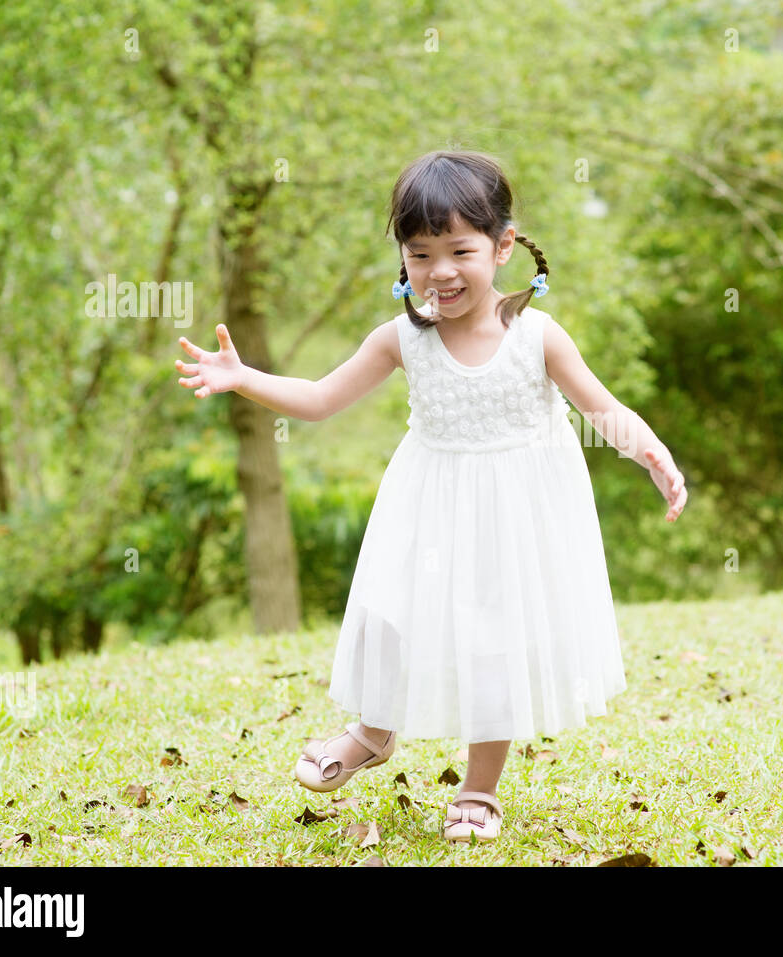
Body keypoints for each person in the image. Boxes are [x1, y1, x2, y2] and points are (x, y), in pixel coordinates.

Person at [174, 148, 687, 843]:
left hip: (516, 513)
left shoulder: (536, 335)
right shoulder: (400, 340)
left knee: (494, 643)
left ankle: (479, 789)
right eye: (420, 253)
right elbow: (322, 398)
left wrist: (650, 451)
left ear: (503, 246)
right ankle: (372, 731)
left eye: (460, 250)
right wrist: (244, 377)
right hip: (427, 501)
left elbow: (602, 408)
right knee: (390, 613)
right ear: (403, 258)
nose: (440, 271)